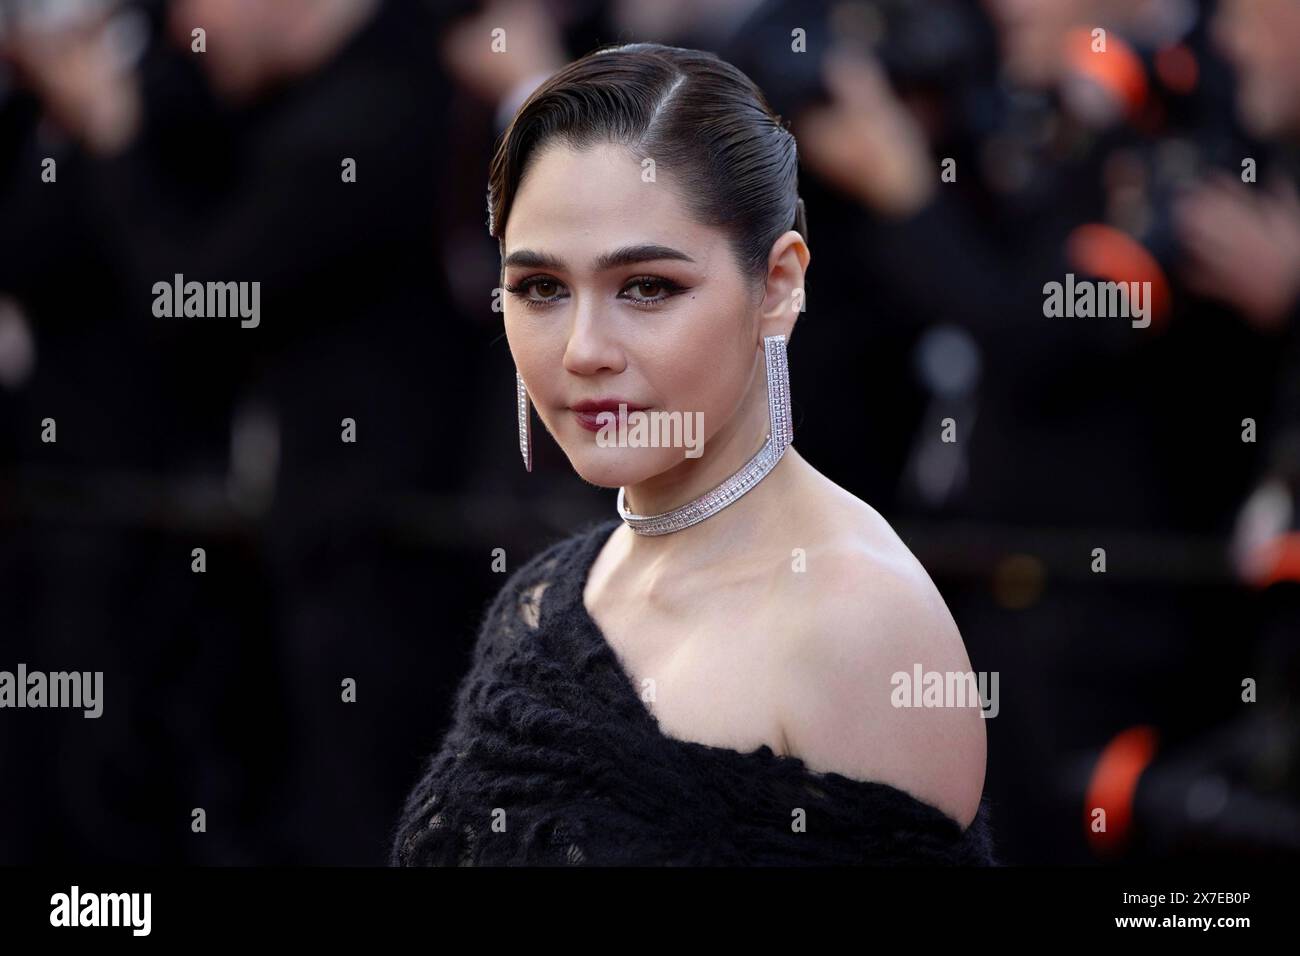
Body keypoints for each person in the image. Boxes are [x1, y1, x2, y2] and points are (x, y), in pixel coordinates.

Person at [390, 42, 995, 866]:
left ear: (777, 285)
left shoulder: (862, 628)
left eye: (646, 287)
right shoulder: (540, 599)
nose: (583, 349)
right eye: (541, 289)